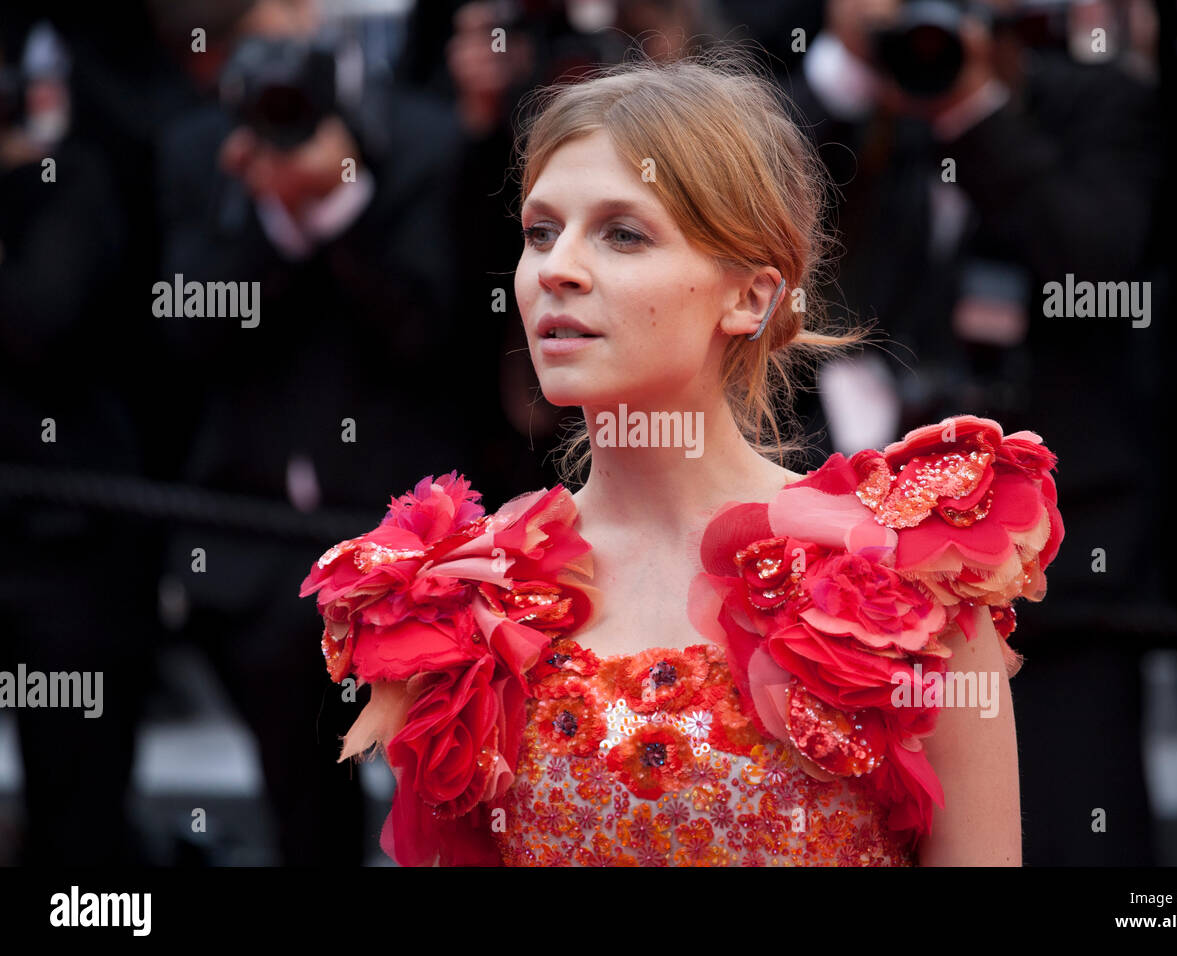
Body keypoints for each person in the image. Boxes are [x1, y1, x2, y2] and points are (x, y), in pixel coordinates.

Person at [300, 51, 1064, 866]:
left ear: (750, 295)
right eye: (540, 232)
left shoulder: (903, 578)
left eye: (623, 234)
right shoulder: (461, 602)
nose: (557, 269)